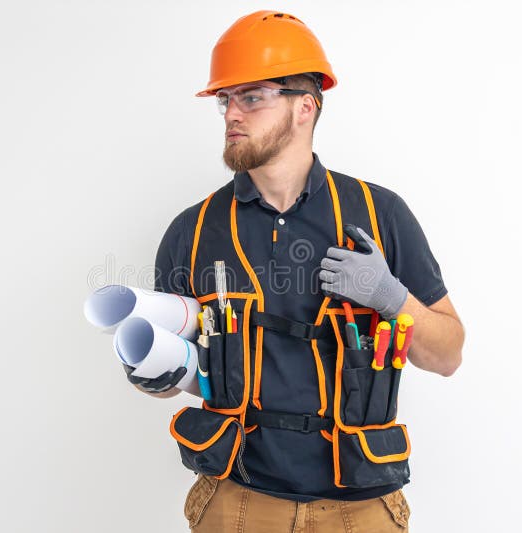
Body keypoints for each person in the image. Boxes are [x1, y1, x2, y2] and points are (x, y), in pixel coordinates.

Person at [123, 10, 464, 532]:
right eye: (225, 99)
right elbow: (180, 376)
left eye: (252, 96)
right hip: (235, 503)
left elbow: (448, 356)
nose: (231, 114)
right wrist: (150, 372)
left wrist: (393, 299)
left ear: (306, 106)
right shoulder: (192, 232)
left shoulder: (379, 215)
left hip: (360, 509)